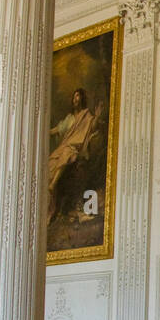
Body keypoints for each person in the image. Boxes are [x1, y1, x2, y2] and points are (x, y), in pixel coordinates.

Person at [47, 88, 100, 222]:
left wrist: (97, 116)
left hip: (76, 148)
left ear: (82, 99)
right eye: (74, 97)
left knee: (69, 152)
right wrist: (42, 131)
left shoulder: (86, 116)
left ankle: (53, 183)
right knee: (51, 163)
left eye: (78, 96)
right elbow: (56, 130)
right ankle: (50, 206)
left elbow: (92, 127)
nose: (75, 99)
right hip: (65, 146)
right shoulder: (69, 119)